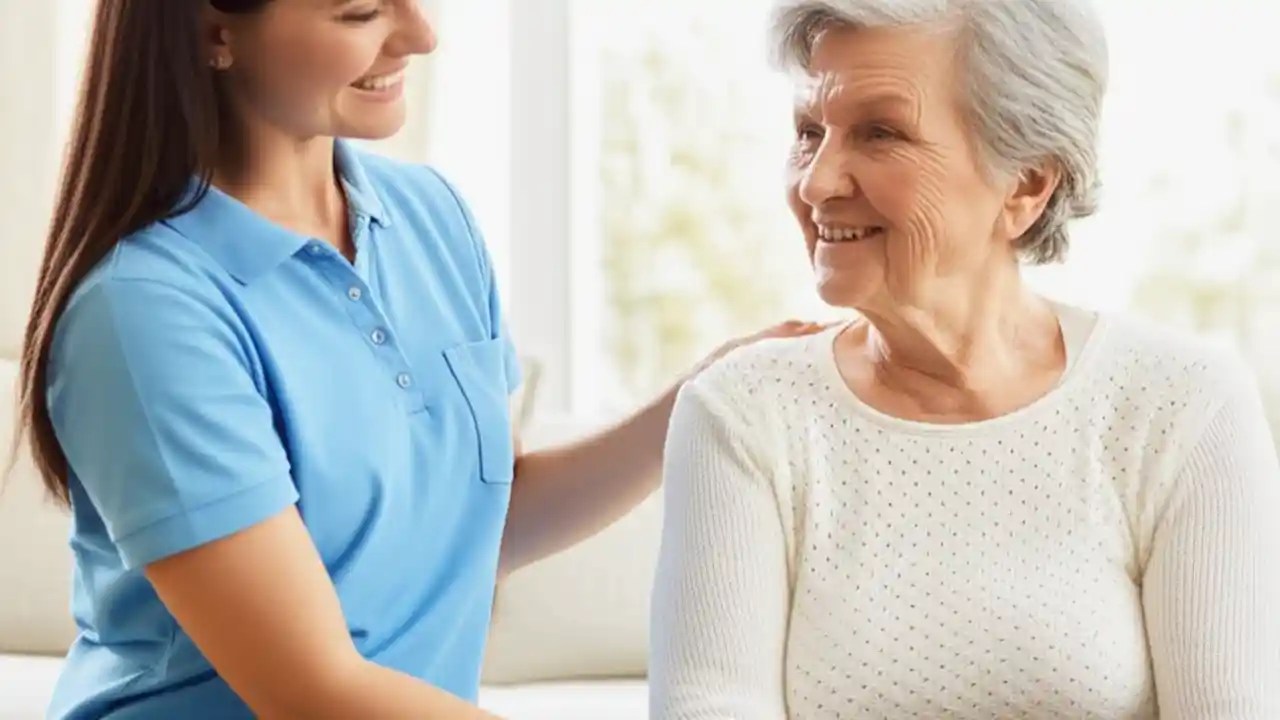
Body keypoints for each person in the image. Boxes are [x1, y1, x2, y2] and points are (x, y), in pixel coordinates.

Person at [14, 1, 821, 718]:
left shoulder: (430, 216)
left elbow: (476, 522)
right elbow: (312, 691)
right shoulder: (146, 312)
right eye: (361, 13)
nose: (421, 34)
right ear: (215, 29)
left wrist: (700, 398)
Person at [649, 0, 1280, 717]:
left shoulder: (1182, 404)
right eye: (809, 133)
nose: (817, 182)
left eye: (881, 133)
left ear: (1026, 183)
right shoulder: (743, 413)